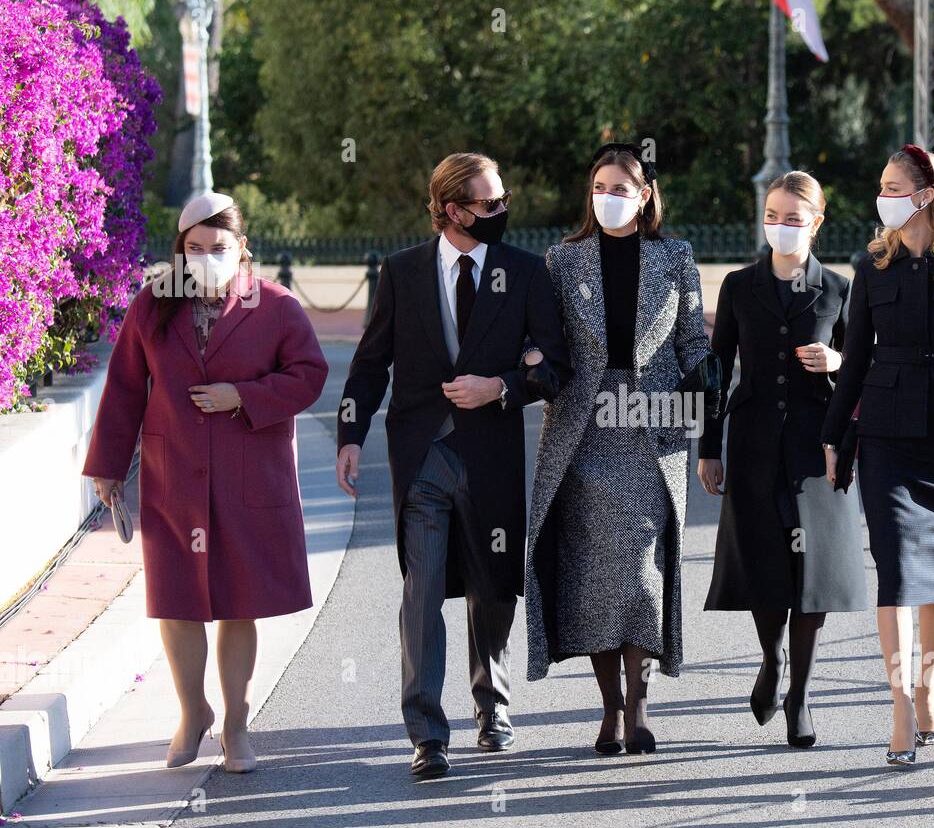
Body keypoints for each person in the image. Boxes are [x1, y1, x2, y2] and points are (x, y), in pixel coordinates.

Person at [336, 153, 571, 781]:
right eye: (488, 204)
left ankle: (491, 704)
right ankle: (426, 732)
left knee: (493, 587)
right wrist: (350, 434)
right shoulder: (402, 273)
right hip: (421, 457)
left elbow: (553, 371)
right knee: (421, 592)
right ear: (450, 210)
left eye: (503, 200)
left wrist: (500, 386)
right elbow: (369, 363)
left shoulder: (525, 273)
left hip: (490, 456)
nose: (501, 213)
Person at [83, 192, 328, 774]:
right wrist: (107, 468)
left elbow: (309, 375)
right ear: (179, 251)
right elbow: (122, 388)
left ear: (241, 248)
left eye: (217, 248)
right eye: (193, 249)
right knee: (178, 601)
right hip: (174, 480)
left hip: (249, 479)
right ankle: (193, 713)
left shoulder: (276, 306)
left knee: (239, 600)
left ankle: (237, 727)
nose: (204, 258)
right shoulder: (152, 306)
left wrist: (242, 396)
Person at [525, 142, 710, 756]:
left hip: (653, 428)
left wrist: (708, 378)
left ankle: (640, 703)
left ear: (645, 194)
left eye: (621, 186)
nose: (608, 195)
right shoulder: (563, 259)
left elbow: (691, 339)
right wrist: (531, 363)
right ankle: (609, 708)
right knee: (593, 580)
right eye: (599, 185)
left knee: (642, 577)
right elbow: (550, 344)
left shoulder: (675, 256)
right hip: (583, 434)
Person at [821, 145, 934, 766]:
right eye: (881, 184)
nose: (883, 195)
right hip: (887, 434)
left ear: (926, 194)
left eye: (894, 186)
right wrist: (835, 436)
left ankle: (928, 681)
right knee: (895, 563)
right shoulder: (872, 266)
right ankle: (900, 705)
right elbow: (856, 359)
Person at [698, 171, 867, 749]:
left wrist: (837, 361)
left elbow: (863, 368)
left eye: (794, 217)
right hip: (750, 445)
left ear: (817, 222)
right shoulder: (740, 286)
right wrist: (707, 447)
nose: (781, 226)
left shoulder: (841, 290)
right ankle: (770, 659)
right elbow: (716, 372)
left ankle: (801, 693)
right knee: (765, 563)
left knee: (812, 572)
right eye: (773, 214)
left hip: (816, 447)